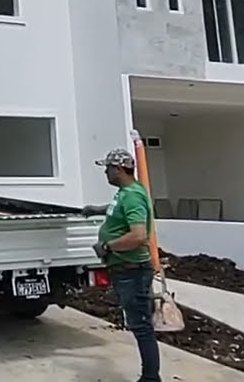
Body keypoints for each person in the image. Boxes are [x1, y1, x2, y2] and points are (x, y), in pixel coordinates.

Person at [82, 148, 160, 382]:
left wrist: (108, 247)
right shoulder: (125, 192)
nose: (105, 172)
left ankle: (150, 378)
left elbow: (138, 236)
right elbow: (120, 210)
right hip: (126, 270)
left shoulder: (132, 195)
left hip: (132, 272)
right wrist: (97, 209)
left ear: (118, 169)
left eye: (108, 167)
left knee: (142, 326)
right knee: (139, 323)